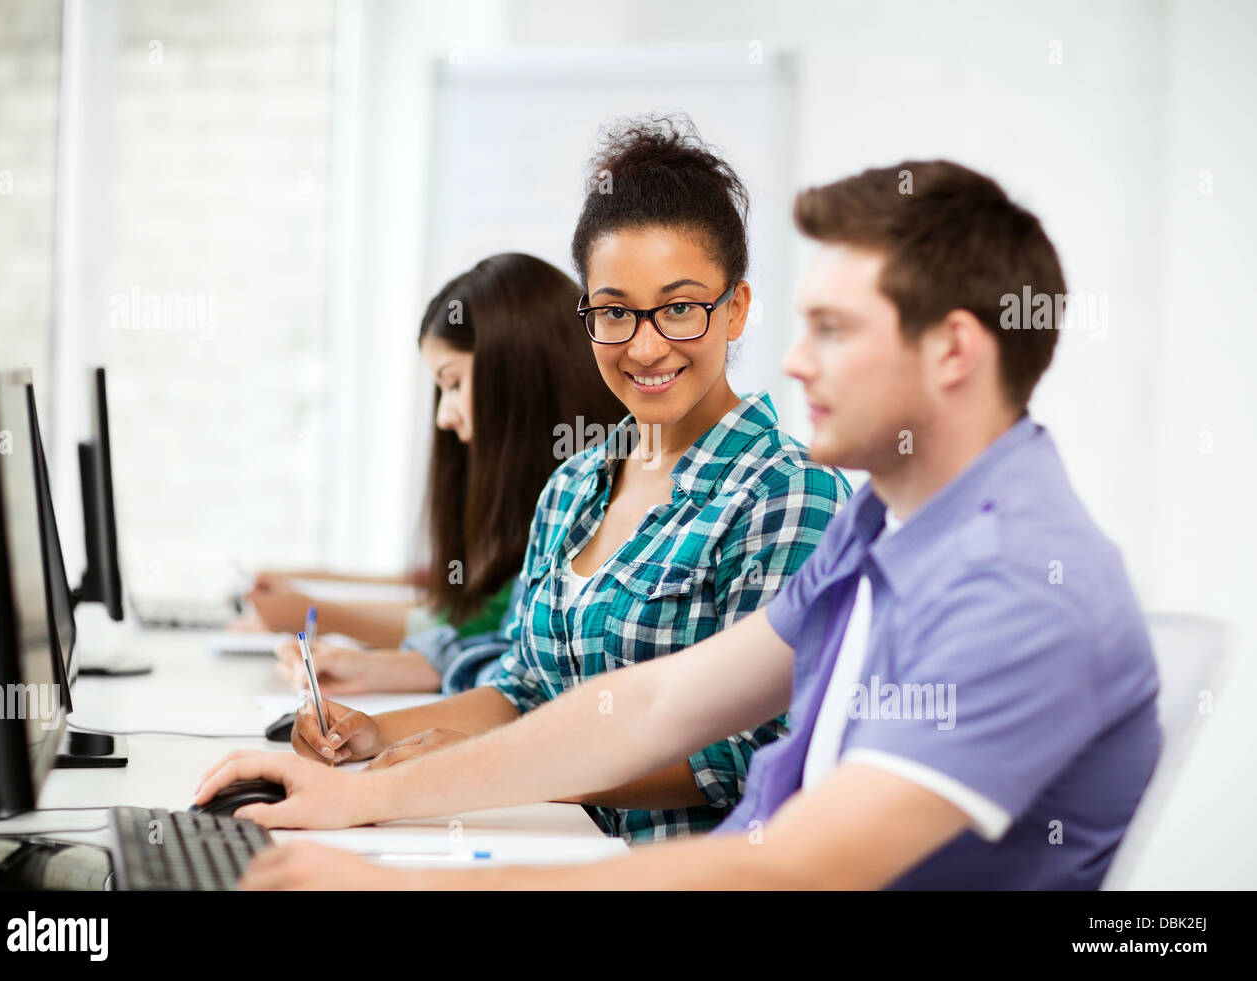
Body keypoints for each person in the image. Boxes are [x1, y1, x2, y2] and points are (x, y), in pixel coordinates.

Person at [197, 158, 1162, 890]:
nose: (793, 361)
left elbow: (790, 869)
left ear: (954, 350)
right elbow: (656, 707)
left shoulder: (1013, 581)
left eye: (832, 328)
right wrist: (361, 795)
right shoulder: (885, 522)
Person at [206, 114, 851, 841]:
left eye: (679, 308)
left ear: (735, 310)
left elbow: (746, 757)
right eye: (614, 311)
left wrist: (487, 770)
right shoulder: (575, 486)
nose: (644, 344)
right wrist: (373, 734)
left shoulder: (789, 495)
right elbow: (522, 689)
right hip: (550, 843)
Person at [270, 253, 624, 692]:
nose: (444, 417)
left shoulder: (600, 496)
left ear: (516, 376)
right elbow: (495, 647)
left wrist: (317, 611)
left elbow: (490, 646)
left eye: (453, 384)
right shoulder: (543, 496)